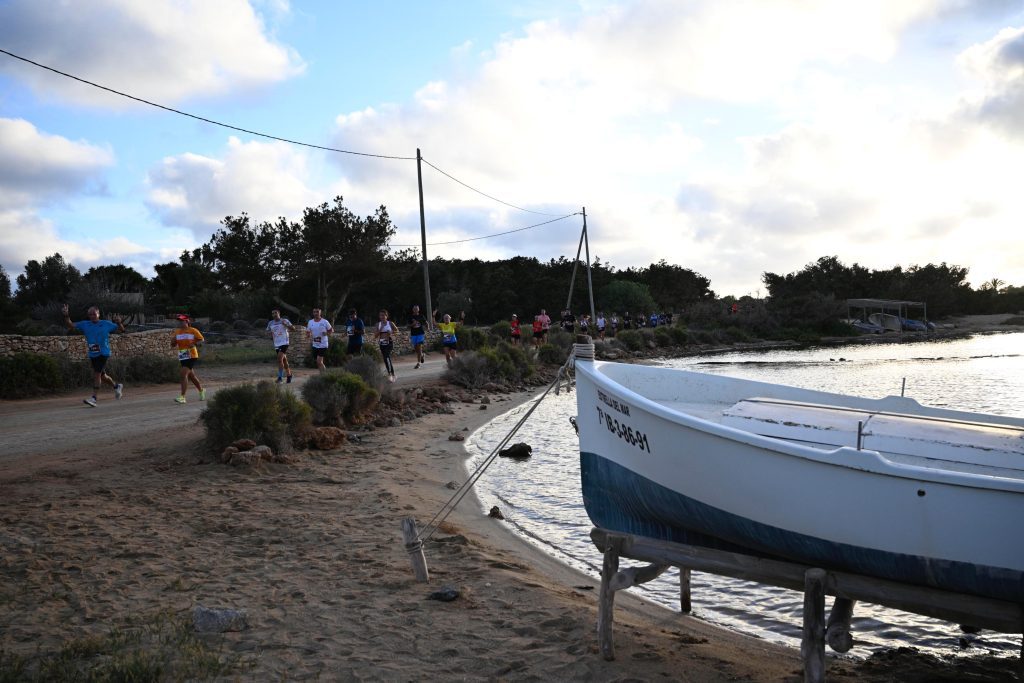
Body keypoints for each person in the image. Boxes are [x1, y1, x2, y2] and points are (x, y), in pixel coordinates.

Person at [62, 303, 125, 407]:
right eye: (90, 314)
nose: (92, 316)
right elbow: (70, 325)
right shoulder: (85, 324)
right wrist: (66, 315)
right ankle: (116, 386)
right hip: (93, 353)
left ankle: (94, 398)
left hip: (103, 353)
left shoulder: (106, 324)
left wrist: (119, 322)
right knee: (102, 376)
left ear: (98, 314)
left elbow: (122, 330)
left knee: (96, 374)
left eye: (94, 314)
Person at [171, 314, 205, 404]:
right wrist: (173, 341)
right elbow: (173, 344)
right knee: (191, 376)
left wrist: (194, 344)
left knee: (183, 374)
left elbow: (201, 340)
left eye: (182, 321)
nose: (180, 322)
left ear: (187, 321)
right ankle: (201, 390)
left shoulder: (193, 330)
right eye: (179, 321)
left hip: (192, 355)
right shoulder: (177, 332)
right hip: (183, 355)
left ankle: (182, 397)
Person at [266, 309, 294, 383]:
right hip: (276, 344)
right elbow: (268, 332)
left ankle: (280, 378)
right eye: (273, 313)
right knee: (284, 360)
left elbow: (293, 329)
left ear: (279, 313)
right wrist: (270, 334)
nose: (274, 314)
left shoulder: (284, 320)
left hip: (285, 342)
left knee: (279, 359)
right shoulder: (270, 323)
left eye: (276, 313)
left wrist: (286, 325)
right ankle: (289, 374)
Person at [307, 308, 334, 373]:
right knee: (318, 362)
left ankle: (325, 375)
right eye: (314, 312)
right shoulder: (310, 322)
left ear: (320, 313)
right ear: (313, 313)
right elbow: (308, 331)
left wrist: (327, 333)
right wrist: (308, 334)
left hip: (323, 344)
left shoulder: (324, 321)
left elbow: (332, 330)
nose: (316, 313)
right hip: (315, 344)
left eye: (317, 312)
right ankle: (322, 374)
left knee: (319, 361)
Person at [376, 309, 398, 382]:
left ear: (386, 316)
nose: (381, 317)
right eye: (380, 315)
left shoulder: (390, 323)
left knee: (386, 356)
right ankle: (393, 374)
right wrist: (380, 330)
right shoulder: (378, 324)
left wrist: (391, 332)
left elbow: (397, 331)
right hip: (382, 343)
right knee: (386, 358)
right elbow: (375, 336)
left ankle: (390, 375)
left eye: (383, 315)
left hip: (389, 342)